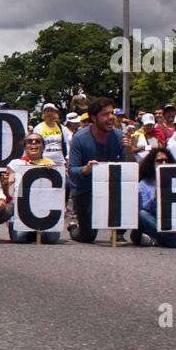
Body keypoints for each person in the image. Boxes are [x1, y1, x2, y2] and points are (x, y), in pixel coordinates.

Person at [66, 97, 127, 243]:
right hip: (85, 189)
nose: (111, 117)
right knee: (87, 237)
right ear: (94, 118)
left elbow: (131, 168)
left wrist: (129, 149)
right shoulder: (80, 138)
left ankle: (119, 232)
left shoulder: (119, 136)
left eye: (112, 113)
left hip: (111, 188)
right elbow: (72, 171)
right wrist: (86, 169)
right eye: (105, 114)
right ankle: (74, 228)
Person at [3, 132, 61, 244]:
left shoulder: (50, 164)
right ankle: (30, 231)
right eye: (30, 141)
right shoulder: (15, 164)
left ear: (43, 147)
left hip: (44, 209)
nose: (33, 143)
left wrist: (52, 172)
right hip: (21, 209)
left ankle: (35, 231)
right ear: (25, 147)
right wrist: (8, 183)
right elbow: (10, 193)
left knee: (51, 239)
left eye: (37, 141)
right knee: (18, 238)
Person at [128, 148, 176, 248]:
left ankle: (162, 239)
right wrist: (154, 199)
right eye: (159, 161)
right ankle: (173, 240)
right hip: (153, 221)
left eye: (166, 160)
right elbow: (143, 209)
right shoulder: (143, 184)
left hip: (172, 221)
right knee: (141, 215)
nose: (164, 163)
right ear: (152, 164)